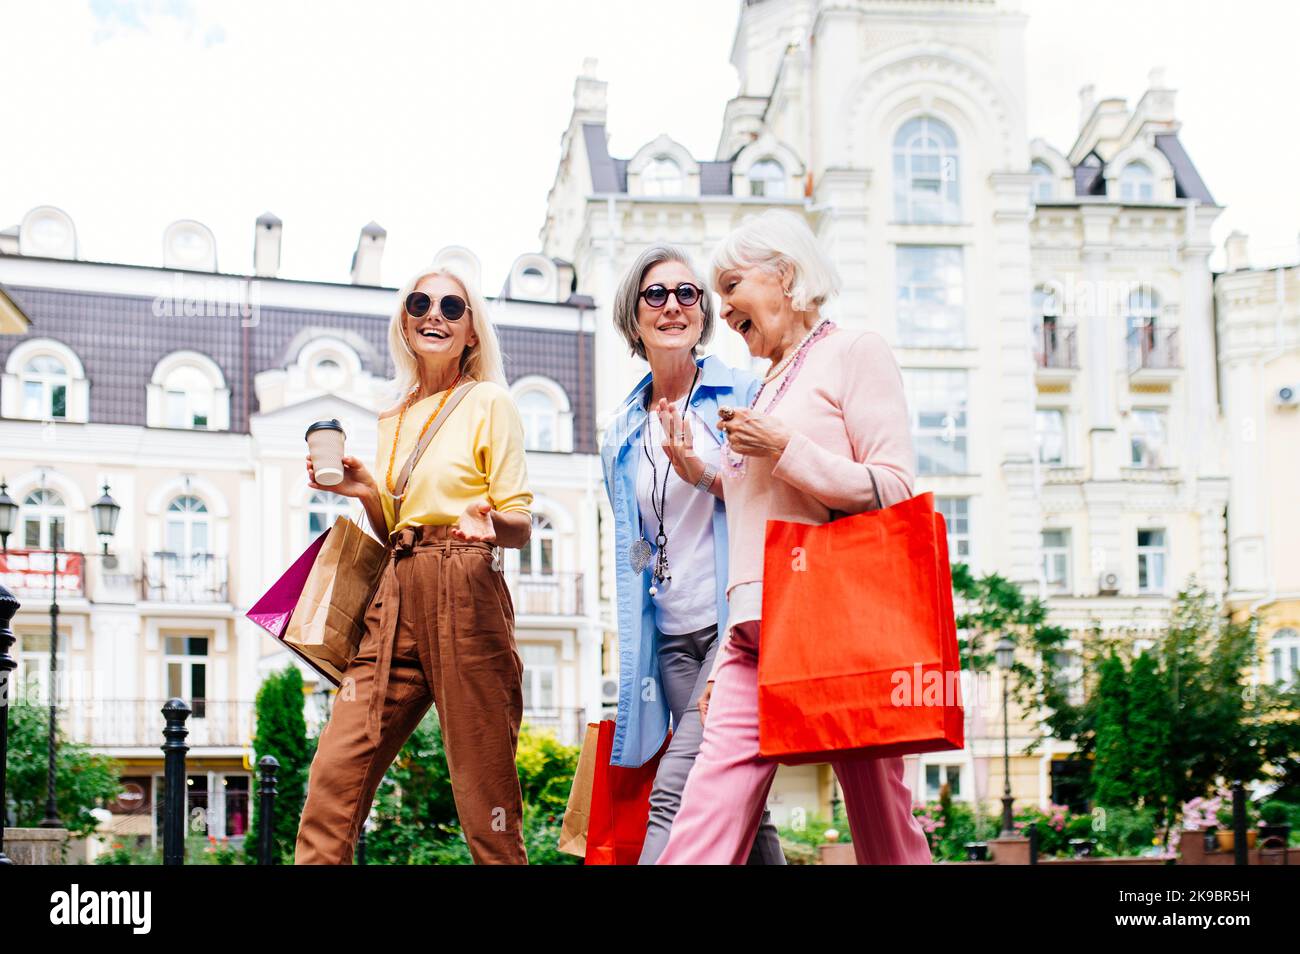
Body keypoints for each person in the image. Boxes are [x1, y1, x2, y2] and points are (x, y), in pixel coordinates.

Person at [656, 210, 933, 865]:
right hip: (755, 627)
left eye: (731, 285)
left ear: (784, 274)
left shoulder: (854, 352)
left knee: (884, 829)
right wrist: (698, 467)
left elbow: (894, 489)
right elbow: (765, 501)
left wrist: (785, 446)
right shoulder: (766, 383)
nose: (721, 308)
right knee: (703, 816)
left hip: (836, 627)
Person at [294, 262, 534, 865]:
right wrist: (370, 492)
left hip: (466, 583)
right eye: (421, 303)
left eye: (453, 308)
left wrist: (488, 524)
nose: (435, 315)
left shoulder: (489, 401)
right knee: (334, 776)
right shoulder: (391, 417)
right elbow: (398, 526)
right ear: (404, 320)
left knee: (487, 802)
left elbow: (521, 524)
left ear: (472, 331)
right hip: (396, 587)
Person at [599, 244, 784, 865]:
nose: (674, 305)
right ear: (634, 317)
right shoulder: (623, 431)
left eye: (688, 294)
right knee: (742, 804)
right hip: (674, 637)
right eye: (657, 294)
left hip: (735, 628)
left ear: (704, 312)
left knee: (675, 790)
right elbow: (635, 545)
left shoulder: (743, 396)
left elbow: (773, 505)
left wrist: (703, 474)